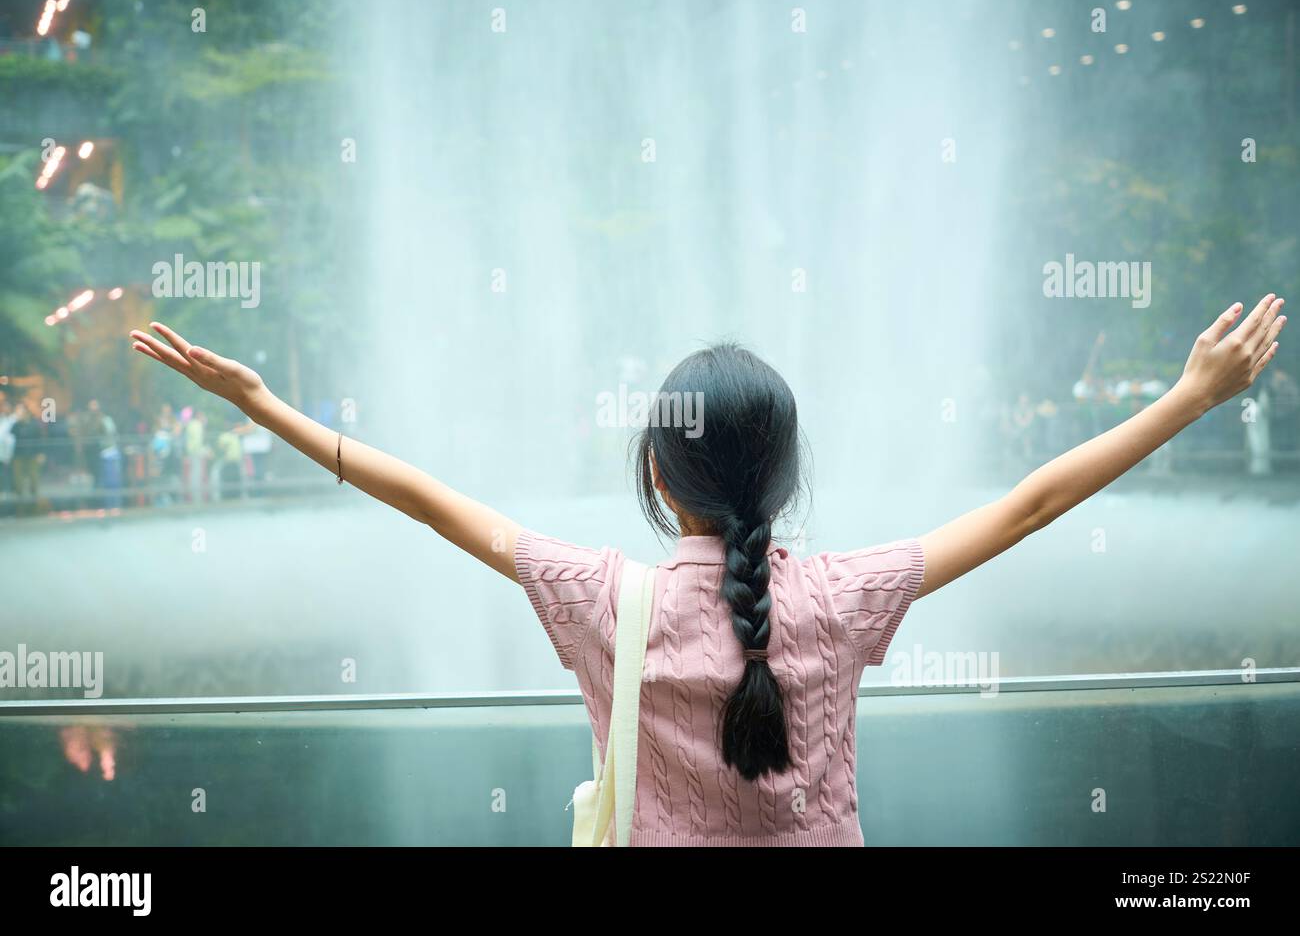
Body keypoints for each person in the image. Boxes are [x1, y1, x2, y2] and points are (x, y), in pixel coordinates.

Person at [128, 294, 1286, 847]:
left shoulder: (602, 597)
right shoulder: (840, 596)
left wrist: (266, 404)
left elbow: (437, 506)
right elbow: (1031, 507)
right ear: (783, 474)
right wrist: (1189, 396)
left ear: (655, 470)